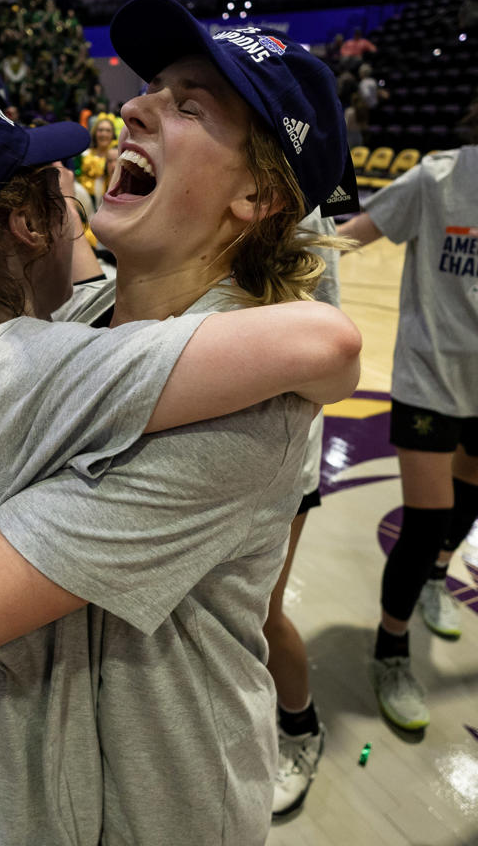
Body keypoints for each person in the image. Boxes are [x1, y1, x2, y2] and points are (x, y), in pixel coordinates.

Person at [0, 0, 361, 846]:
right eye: (151, 87)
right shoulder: (78, 318)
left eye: (188, 105)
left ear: (261, 194)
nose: (132, 107)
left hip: (161, 807)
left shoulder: (251, 405)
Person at [339, 136, 478, 732]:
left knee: (470, 493)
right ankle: (390, 651)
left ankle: (435, 579)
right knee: (425, 519)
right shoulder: (437, 179)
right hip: (429, 374)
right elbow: (350, 235)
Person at [265, 210, 341, 815]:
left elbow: (331, 354)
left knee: (262, 611)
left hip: (282, 458)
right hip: (219, 449)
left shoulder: (303, 206)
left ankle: (301, 729)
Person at [78, 113, 117, 206]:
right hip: (84, 204)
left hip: (107, 204)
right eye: (100, 130)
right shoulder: (84, 154)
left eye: (108, 130)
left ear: (113, 134)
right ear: (95, 132)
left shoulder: (118, 156)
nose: (104, 134)